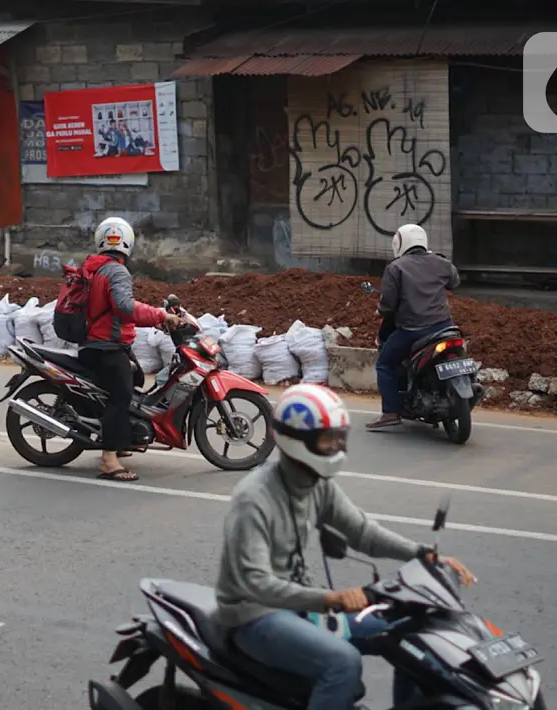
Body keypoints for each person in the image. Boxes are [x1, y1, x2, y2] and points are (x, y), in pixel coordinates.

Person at [215, 383, 476, 710]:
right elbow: (254, 583)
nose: (336, 446)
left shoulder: (315, 484)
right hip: (254, 615)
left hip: (300, 605)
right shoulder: (254, 499)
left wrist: (423, 554)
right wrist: (329, 599)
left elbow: (362, 532)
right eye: (328, 439)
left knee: (413, 631)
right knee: (342, 663)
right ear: (296, 440)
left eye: (340, 438)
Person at [79, 216, 181, 482]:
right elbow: (125, 307)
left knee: (136, 379)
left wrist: (155, 319)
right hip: (106, 346)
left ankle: (121, 438)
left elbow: (115, 308)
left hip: (102, 342)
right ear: (129, 241)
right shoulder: (117, 271)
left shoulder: (96, 267)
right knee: (122, 395)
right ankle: (109, 459)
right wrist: (161, 315)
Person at [367, 224, 461, 429]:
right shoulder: (441, 262)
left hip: (413, 330)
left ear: (399, 243)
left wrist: (380, 312)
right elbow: (454, 282)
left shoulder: (395, 268)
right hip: (445, 327)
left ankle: (390, 412)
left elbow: (388, 305)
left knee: (384, 364)